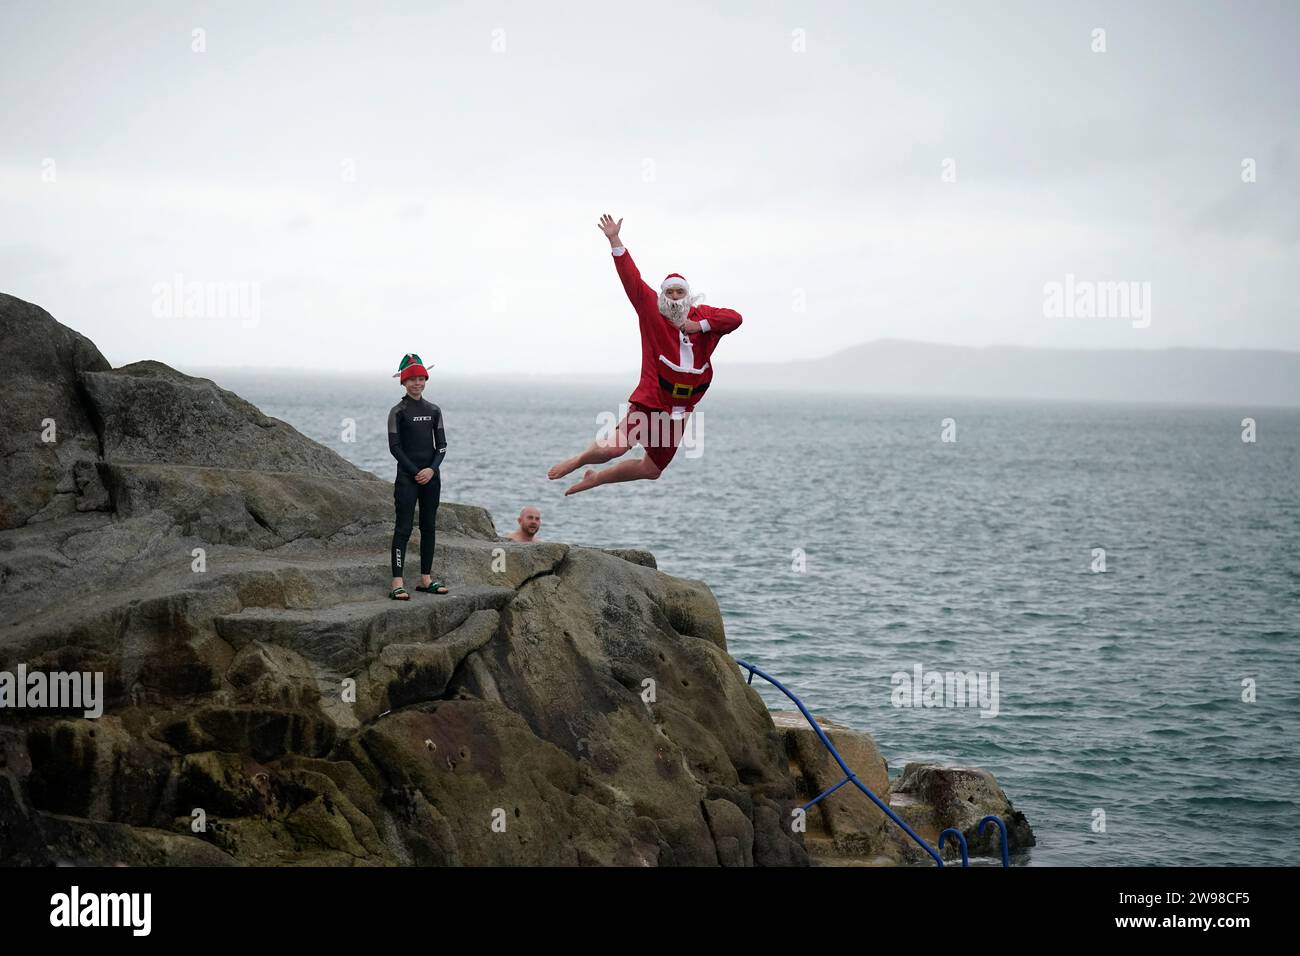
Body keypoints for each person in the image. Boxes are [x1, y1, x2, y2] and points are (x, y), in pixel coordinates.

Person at [547, 213, 742, 495]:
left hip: (679, 412)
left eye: (679, 292)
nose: (674, 297)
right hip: (652, 400)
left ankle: (596, 478)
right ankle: (579, 460)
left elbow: (735, 318)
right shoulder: (653, 310)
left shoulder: (704, 317)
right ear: (663, 295)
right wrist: (614, 240)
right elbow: (632, 280)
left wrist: (698, 326)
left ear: (687, 295)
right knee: (613, 448)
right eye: (670, 292)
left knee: (651, 470)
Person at [386, 352, 449, 599]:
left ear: (426, 380)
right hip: (407, 478)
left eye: (421, 378)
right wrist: (415, 472)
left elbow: (442, 445)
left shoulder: (434, 410)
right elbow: (395, 447)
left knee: (429, 527)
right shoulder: (398, 412)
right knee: (403, 528)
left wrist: (431, 469)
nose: (417, 383)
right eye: (412, 379)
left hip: (431, 477)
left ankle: (426, 579)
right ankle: (397, 583)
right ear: (403, 382)